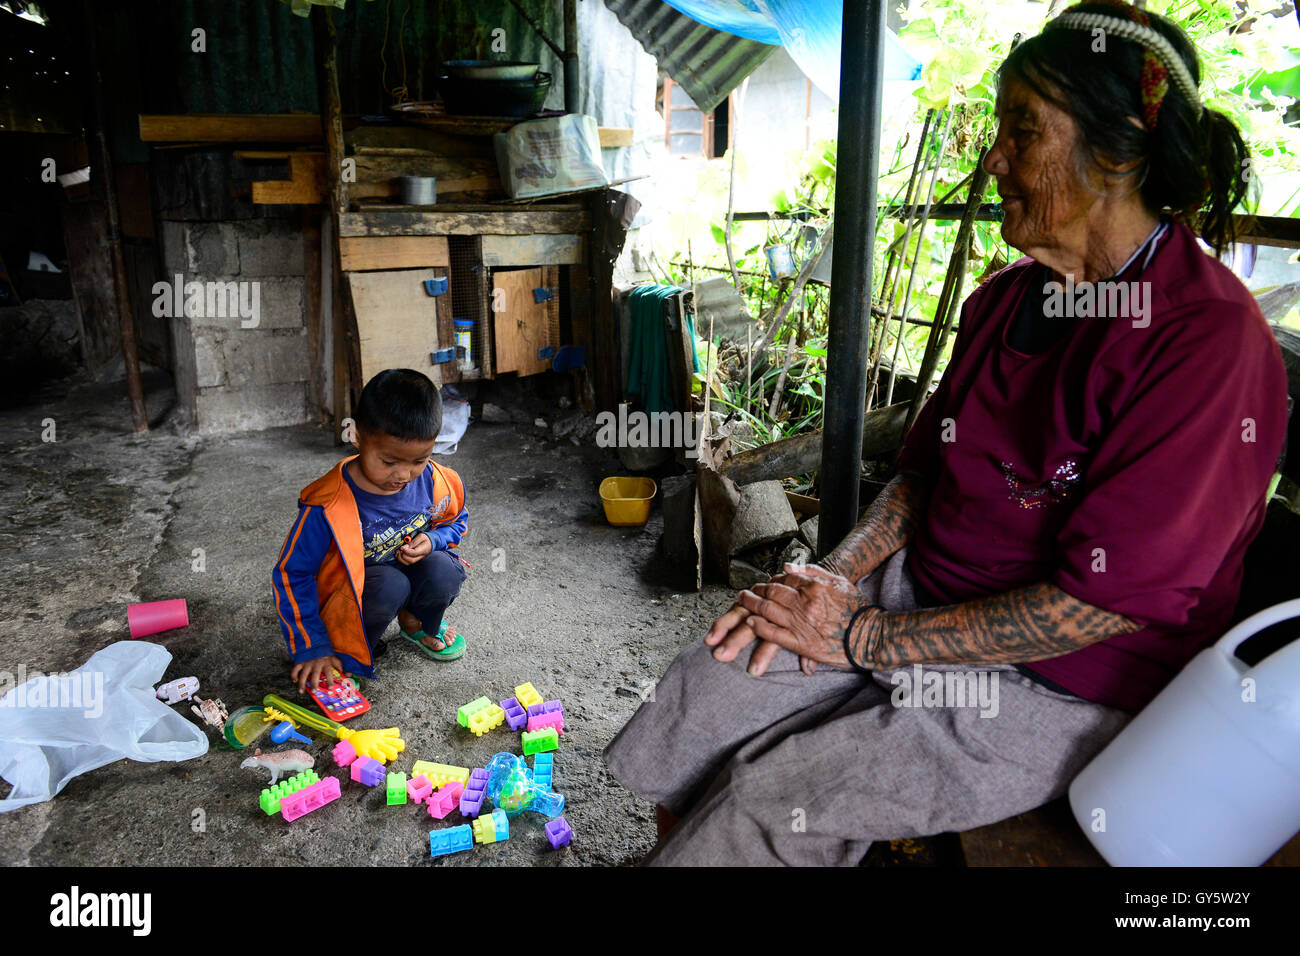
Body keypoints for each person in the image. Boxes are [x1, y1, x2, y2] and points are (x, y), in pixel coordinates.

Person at [604, 1, 1290, 865]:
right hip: (908, 598)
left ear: (1115, 154)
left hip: (1055, 682)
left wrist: (860, 640)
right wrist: (830, 578)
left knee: (776, 797)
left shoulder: (1205, 342)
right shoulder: (1006, 299)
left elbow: (1100, 602)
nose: (994, 157)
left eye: (1022, 130)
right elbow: (921, 478)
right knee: (707, 685)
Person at [273, 369, 470, 693]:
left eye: (419, 460)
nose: (404, 474)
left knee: (444, 570)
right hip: (356, 594)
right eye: (389, 461)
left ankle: (415, 622)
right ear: (357, 437)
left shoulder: (437, 482)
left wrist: (433, 539)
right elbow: (292, 574)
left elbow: (456, 520)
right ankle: (349, 649)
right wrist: (312, 646)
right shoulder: (327, 504)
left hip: (405, 574)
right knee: (389, 584)